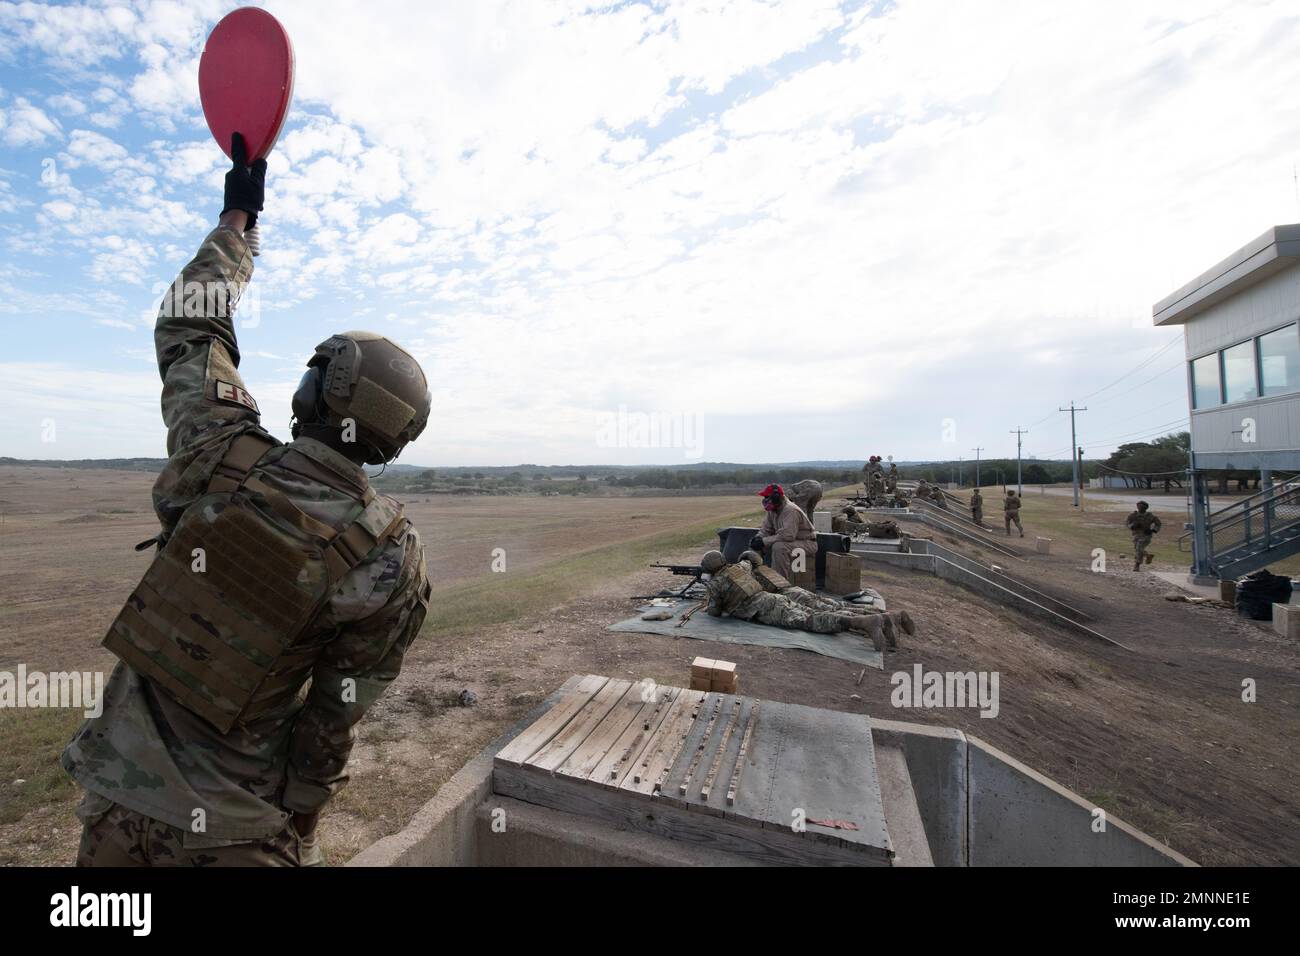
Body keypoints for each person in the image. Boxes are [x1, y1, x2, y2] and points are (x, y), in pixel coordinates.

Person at [63, 134, 433, 867]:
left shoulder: (217, 453)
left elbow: (190, 324)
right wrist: (302, 819)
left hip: (118, 812)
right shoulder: (392, 560)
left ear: (318, 393)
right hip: (238, 830)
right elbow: (335, 713)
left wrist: (237, 222)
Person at [701, 552, 907, 650]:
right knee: (825, 608)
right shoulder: (740, 568)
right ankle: (882, 617)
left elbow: (714, 612)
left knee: (812, 620)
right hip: (774, 598)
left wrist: (710, 591)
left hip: (765, 608)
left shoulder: (716, 584)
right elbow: (750, 559)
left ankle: (863, 622)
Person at [752, 483, 818, 578]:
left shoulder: (790, 510)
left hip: (807, 543)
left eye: (767, 497)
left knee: (779, 547)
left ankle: (780, 583)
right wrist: (758, 538)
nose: (765, 500)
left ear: (776, 497)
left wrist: (764, 541)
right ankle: (757, 577)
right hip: (793, 541)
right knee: (756, 544)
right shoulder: (773, 510)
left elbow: (788, 535)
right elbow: (766, 529)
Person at [1126, 500, 1163, 571]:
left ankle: (1137, 565)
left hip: (1146, 535)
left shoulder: (1150, 516)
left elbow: (1158, 523)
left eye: (1142, 507)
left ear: (1146, 508)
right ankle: (1148, 556)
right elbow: (1127, 523)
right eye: (1139, 506)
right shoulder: (1133, 515)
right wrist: (1132, 526)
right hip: (1136, 535)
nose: (1140, 508)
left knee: (1139, 548)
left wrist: (1152, 530)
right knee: (1138, 549)